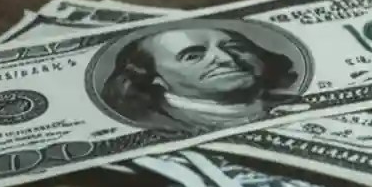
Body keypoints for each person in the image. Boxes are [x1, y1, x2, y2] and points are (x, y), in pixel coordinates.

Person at [100, 25, 301, 133]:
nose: (226, 59)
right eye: (192, 56)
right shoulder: (157, 124)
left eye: (234, 48)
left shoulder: (292, 102)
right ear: (154, 78)